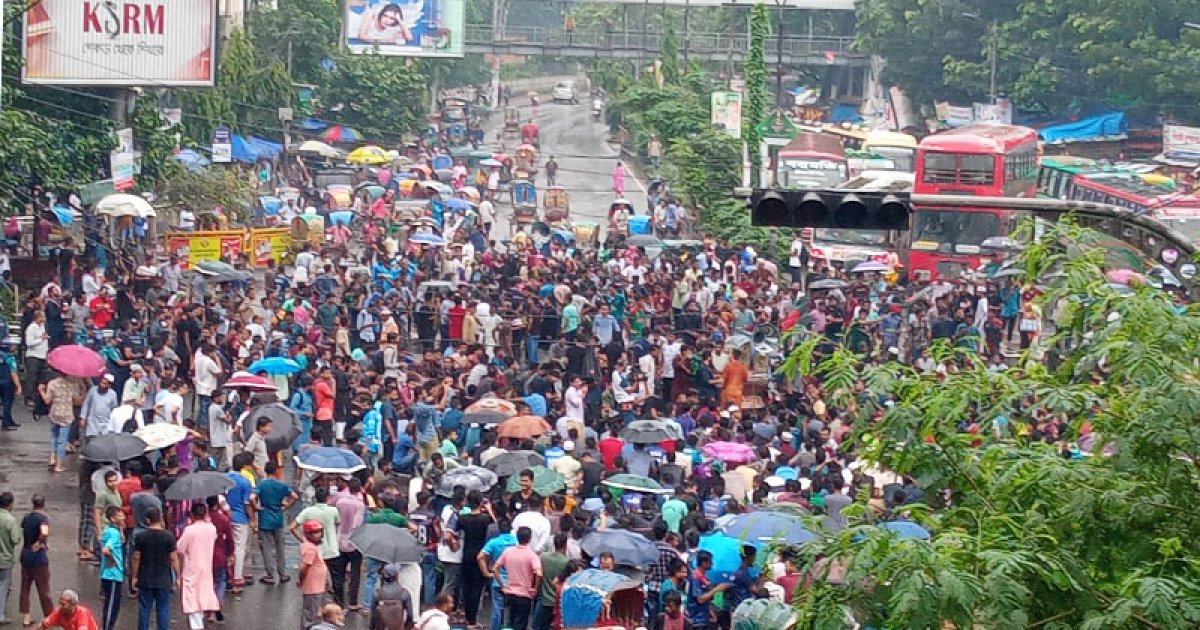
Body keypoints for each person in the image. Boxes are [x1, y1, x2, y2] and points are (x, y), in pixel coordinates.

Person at [131, 507, 179, 630]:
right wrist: (178, 576)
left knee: (144, 608)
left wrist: (134, 576)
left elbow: (136, 557)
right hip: (163, 578)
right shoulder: (168, 536)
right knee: (163, 608)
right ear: (160, 518)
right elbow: (173, 558)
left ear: (147, 520)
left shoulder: (141, 536)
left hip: (145, 577)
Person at [176, 503, 220, 630]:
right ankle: (200, 619)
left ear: (192, 514)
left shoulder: (189, 530)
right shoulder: (211, 528)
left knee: (192, 597)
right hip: (206, 566)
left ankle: (197, 625)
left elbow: (180, 548)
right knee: (203, 593)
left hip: (192, 566)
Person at [255, 461, 297, 584]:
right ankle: (282, 573)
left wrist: (257, 507)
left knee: (267, 548)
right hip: (278, 518)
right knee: (280, 547)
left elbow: (252, 497)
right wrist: (285, 507)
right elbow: (294, 496)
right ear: (276, 471)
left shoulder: (261, 484)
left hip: (265, 518)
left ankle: (270, 574)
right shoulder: (281, 485)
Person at [494, 526, 542, 630]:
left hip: (510, 592)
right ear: (529, 539)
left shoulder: (508, 551)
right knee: (520, 624)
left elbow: (495, 569)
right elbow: (539, 573)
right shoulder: (531, 555)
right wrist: (534, 589)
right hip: (524, 594)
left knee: (509, 622)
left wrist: (502, 585)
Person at [19, 495, 52, 628]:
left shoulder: (27, 517)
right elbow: (44, 532)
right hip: (38, 558)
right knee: (43, 589)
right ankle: (49, 617)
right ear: (43, 504)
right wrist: (40, 543)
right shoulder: (43, 518)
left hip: (25, 554)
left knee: (25, 588)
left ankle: (26, 617)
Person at [299, 519, 330, 629]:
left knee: (315, 613)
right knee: (312, 615)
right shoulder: (311, 549)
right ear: (308, 534)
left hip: (318, 586)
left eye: (319, 532)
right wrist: (301, 580)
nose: (318, 535)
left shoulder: (314, 546)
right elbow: (304, 568)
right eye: (315, 533)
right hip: (313, 588)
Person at [97, 506, 124, 630]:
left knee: (110, 603)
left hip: (108, 573)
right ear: (113, 519)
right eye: (120, 515)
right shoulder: (113, 533)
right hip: (113, 574)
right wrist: (113, 561)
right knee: (112, 605)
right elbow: (106, 549)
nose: (123, 517)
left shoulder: (110, 530)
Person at [369, 563, 414, 630]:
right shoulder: (404, 593)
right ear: (397, 576)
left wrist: (371, 627)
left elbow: (373, 615)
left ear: (383, 576)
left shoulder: (377, 594)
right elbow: (410, 615)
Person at [0, 492, 22, 625]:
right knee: (4, 586)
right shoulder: (10, 520)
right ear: (9, 505)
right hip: (5, 558)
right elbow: (15, 539)